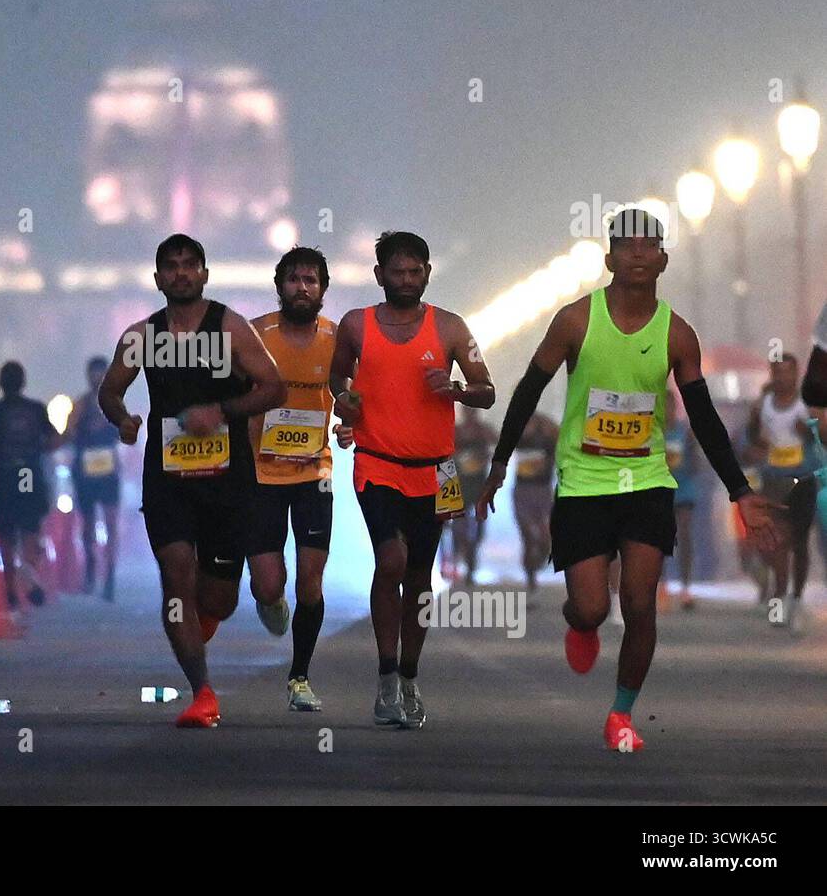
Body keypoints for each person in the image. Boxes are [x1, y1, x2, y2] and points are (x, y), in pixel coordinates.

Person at [478, 208, 780, 752]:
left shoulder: (677, 333)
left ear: (663, 259)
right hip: (584, 482)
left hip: (646, 482)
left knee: (640, 603)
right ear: (610, 258)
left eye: (650, 246)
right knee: (592, 606)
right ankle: (581, 623)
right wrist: (499, 463)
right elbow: (527, 388)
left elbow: (705, 417)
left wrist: (742, 492)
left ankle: (621, 714)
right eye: (628, 245)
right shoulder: (575, 320)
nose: (640, 253)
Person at [97, 234, 285, 728]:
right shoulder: (141, 335)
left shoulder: (231, 328)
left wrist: (220, 410)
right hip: (169, 479)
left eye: (189, 265)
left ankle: (206, 627)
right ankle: (202, 692)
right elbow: (110, 390)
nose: (181, 274)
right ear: (158, 278)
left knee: (218, 598)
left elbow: (274, 387)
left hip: (227, 480)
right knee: (176, 573)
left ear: (204, 274)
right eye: (171, 267)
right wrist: (123, 419)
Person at [330, 230, 494, 730]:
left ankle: (409, 675)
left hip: (437, 468)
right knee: (392, 559)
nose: (406, 280)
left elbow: (487, 391)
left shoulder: (450, 327)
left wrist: (458, 389)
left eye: (414, 271)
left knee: (421, 577)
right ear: (379, 275)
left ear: (427, 272)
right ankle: (384, 673)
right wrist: (346, 400)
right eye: (396, 272)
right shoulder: (355, 326)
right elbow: (337, 379)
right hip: (377, 461)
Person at [246, 246, 350, 712]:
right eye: (293, 280)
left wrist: (351, 426)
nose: (302, 288)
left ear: (323, 290)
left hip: (315, 473)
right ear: (279, 286)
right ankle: (269, 601)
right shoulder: (254, 335)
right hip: (259, 474)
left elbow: (353, 399)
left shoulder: (337, 339)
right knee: (270, 585)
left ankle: (299, 677)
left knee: (310, 581)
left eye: (311, 280)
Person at [0, 361, 64, 608]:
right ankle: (29, 575)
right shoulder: (36, 409)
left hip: (2, 478)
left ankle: (10, 588)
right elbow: (56, 440)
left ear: (0, 383)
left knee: (5, 536)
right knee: (30, 532)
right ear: (23, 382)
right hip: (29, 476)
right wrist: (37, 450)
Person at [745, 354, 818, 633]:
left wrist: (808, 431)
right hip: (774, 480)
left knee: (799, 544)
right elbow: (751, 436)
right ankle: (781, 596)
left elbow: (820, 436)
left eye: (788, 373)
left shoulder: (806, 405)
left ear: (796, 375)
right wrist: (756, 439)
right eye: (777, 372)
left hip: (803, 478)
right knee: (778, 541)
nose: (782, 378)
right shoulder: (763, 405)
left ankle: (796, 600)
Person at [67, 356, 123, 600]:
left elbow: (126, 432)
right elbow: (68, 433)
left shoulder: (115, 402)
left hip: (108, 470)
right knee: (88, 525)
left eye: (101, 373)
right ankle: (91, 568)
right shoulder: (80, 404)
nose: (97, 378)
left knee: (111, 524)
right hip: (84, 471)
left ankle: (109, 576)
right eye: (94, 373)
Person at [449, 405, 497, 585]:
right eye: (467, 411)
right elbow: (444, 454)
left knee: (477, 528)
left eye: (472, 411)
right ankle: (459, 561)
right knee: (458, 528)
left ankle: (470, 565)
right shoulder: (456, 431)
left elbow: (497, 442)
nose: (470, 414)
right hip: (458, 486)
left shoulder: (483, 430)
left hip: (478, 486)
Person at [512, 412, 558, 597]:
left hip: (543, 491)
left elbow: (559, 441)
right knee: (527, 537)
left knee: (545, 534)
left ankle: (540, 558)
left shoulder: (547, 430)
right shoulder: (517, 428)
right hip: (522, 491)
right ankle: (530, 579)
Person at [663, 390, 699, 610]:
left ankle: (685, 587)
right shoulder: (651, 431)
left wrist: (691, 449)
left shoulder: (685, 432)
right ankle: (661, 586)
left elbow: (696, 466)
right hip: (659, 490)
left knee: (683, 535)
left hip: (683, 489)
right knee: (659, 540)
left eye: (668, 407)